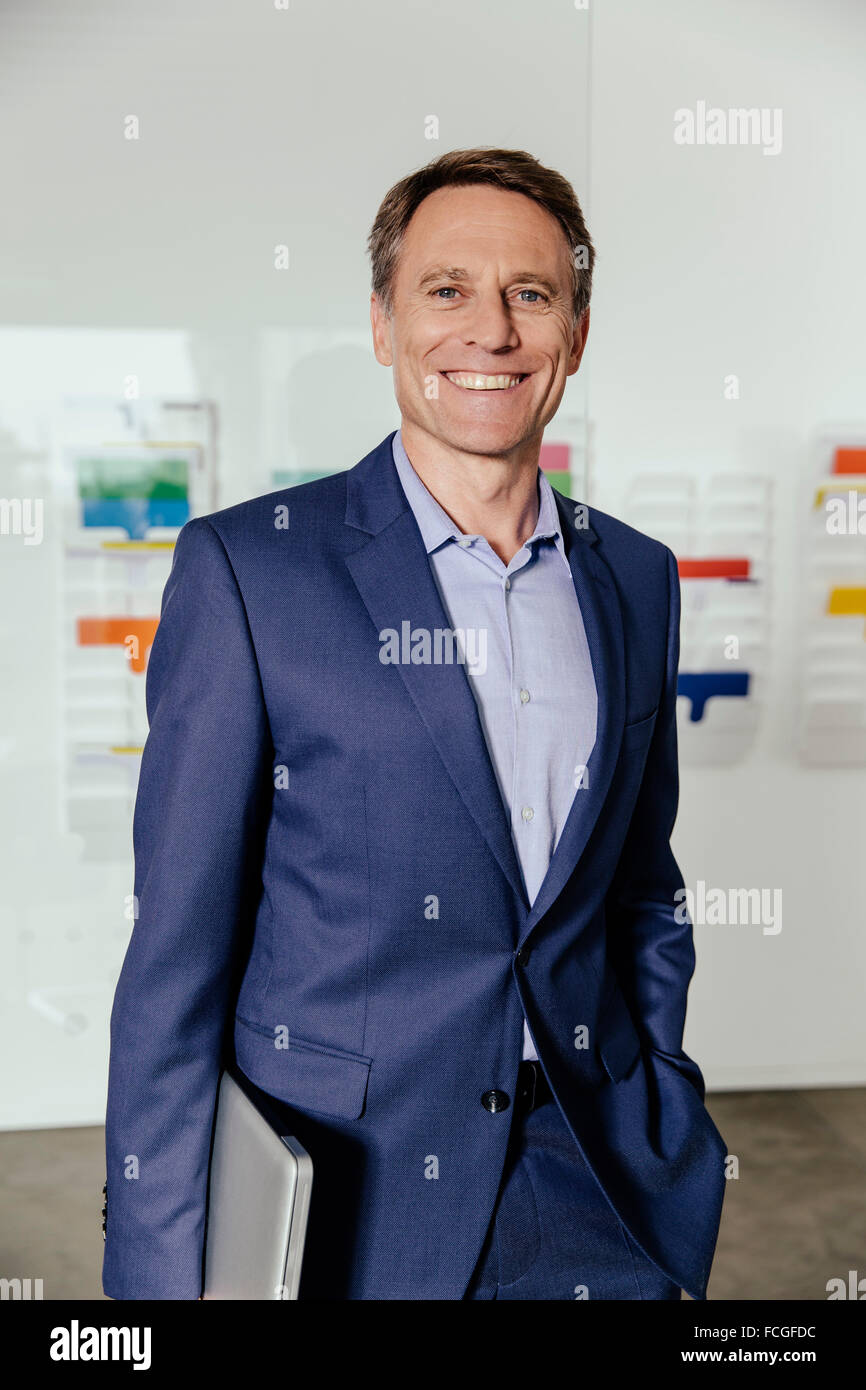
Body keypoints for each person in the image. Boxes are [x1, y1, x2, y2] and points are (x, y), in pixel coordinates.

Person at [102, 147, 727, 1301]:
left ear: (572, 333)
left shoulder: (634, 575)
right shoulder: (250, 571)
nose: (487, 331)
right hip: (353, 1199)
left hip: (595, 1181)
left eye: (528, 295)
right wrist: (153, 1284)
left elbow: (642, 882)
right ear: (384, 323)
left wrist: (661, 1089)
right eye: (445, 291)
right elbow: (173, 962)